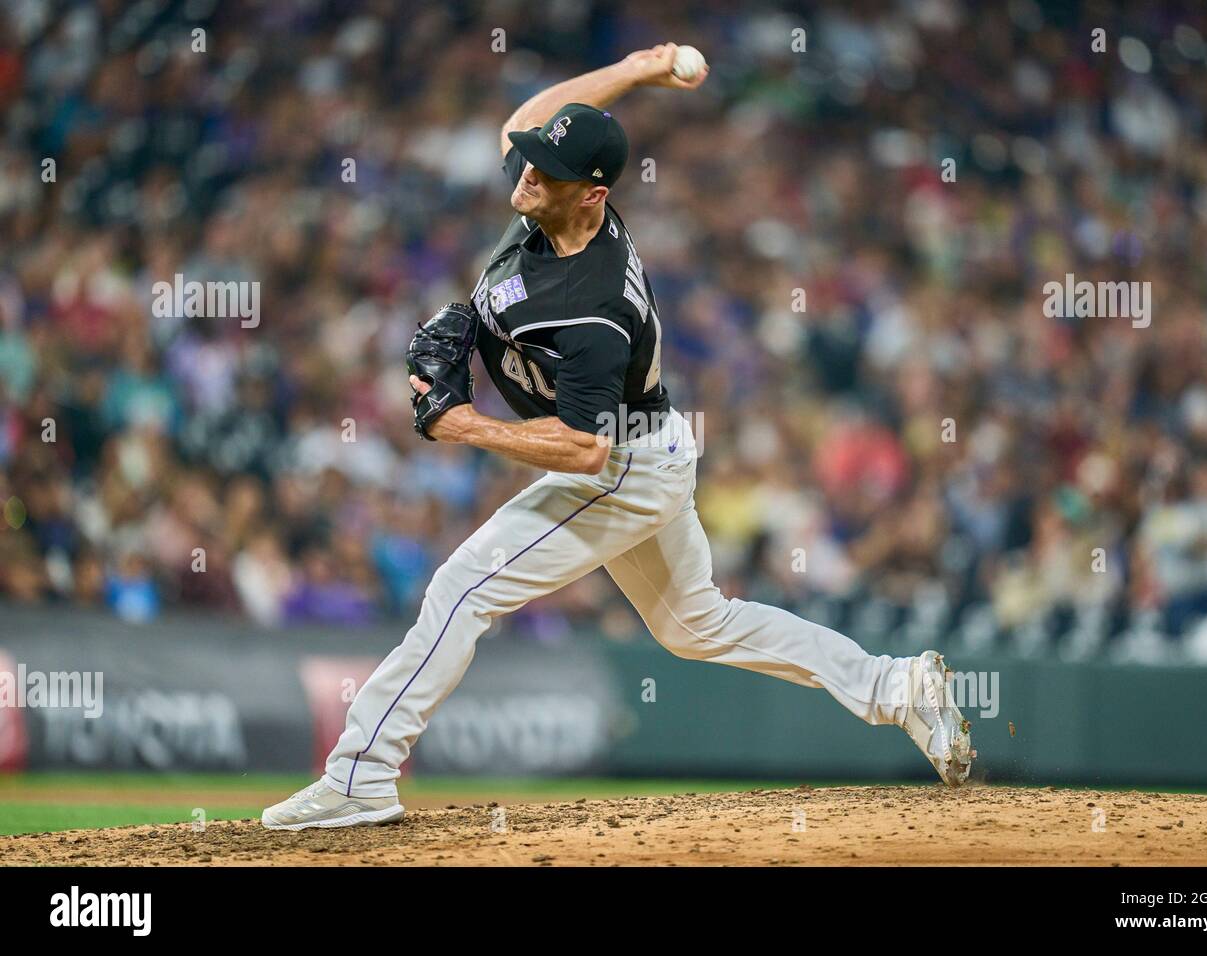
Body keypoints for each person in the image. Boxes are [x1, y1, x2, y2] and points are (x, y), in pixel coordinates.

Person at [262, 44, 975, 829]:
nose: (524, 176)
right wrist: (635, 70)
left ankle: (362, 771)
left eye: (544, 172)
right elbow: (523, 123)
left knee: (463, 589)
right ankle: (894, 686)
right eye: (529, 165)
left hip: (621, 463)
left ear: (593, 196)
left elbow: (583, 449)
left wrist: (463, 423)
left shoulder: (594, 306)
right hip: (652, 447)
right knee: (696, 624)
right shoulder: (554, 204)